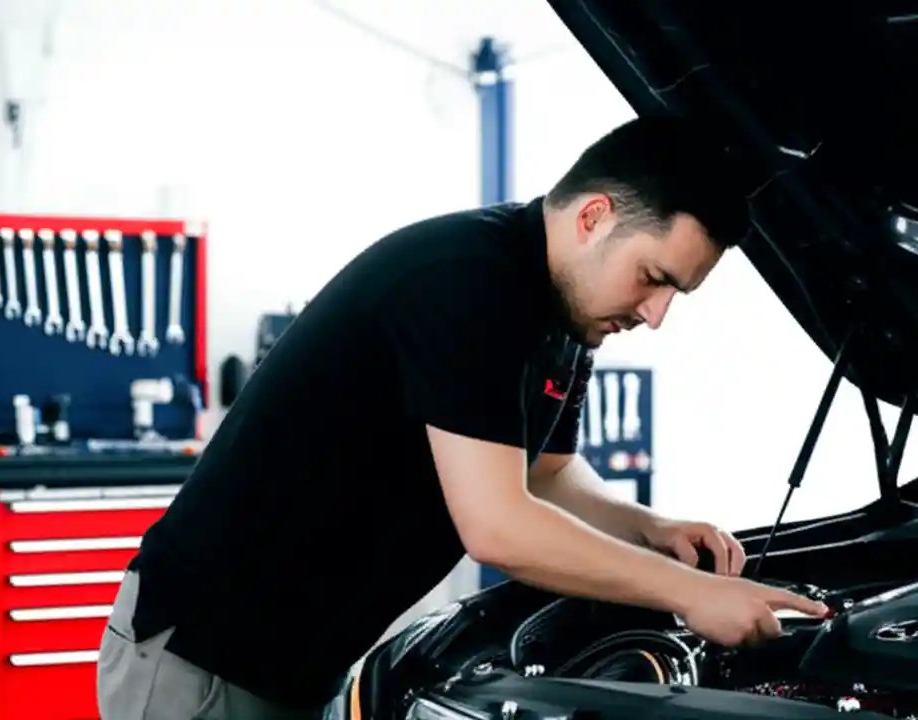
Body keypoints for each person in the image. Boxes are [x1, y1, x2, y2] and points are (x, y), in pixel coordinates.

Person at [95, 114, 829, 720]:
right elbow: (499, 526)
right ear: (594, 217)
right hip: (203, 661)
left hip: (295, 664)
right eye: (653, 278)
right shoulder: (469, 283)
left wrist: (651, 528)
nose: (656, 314)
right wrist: (692, 594)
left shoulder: (562, 318)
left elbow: (546, 471)